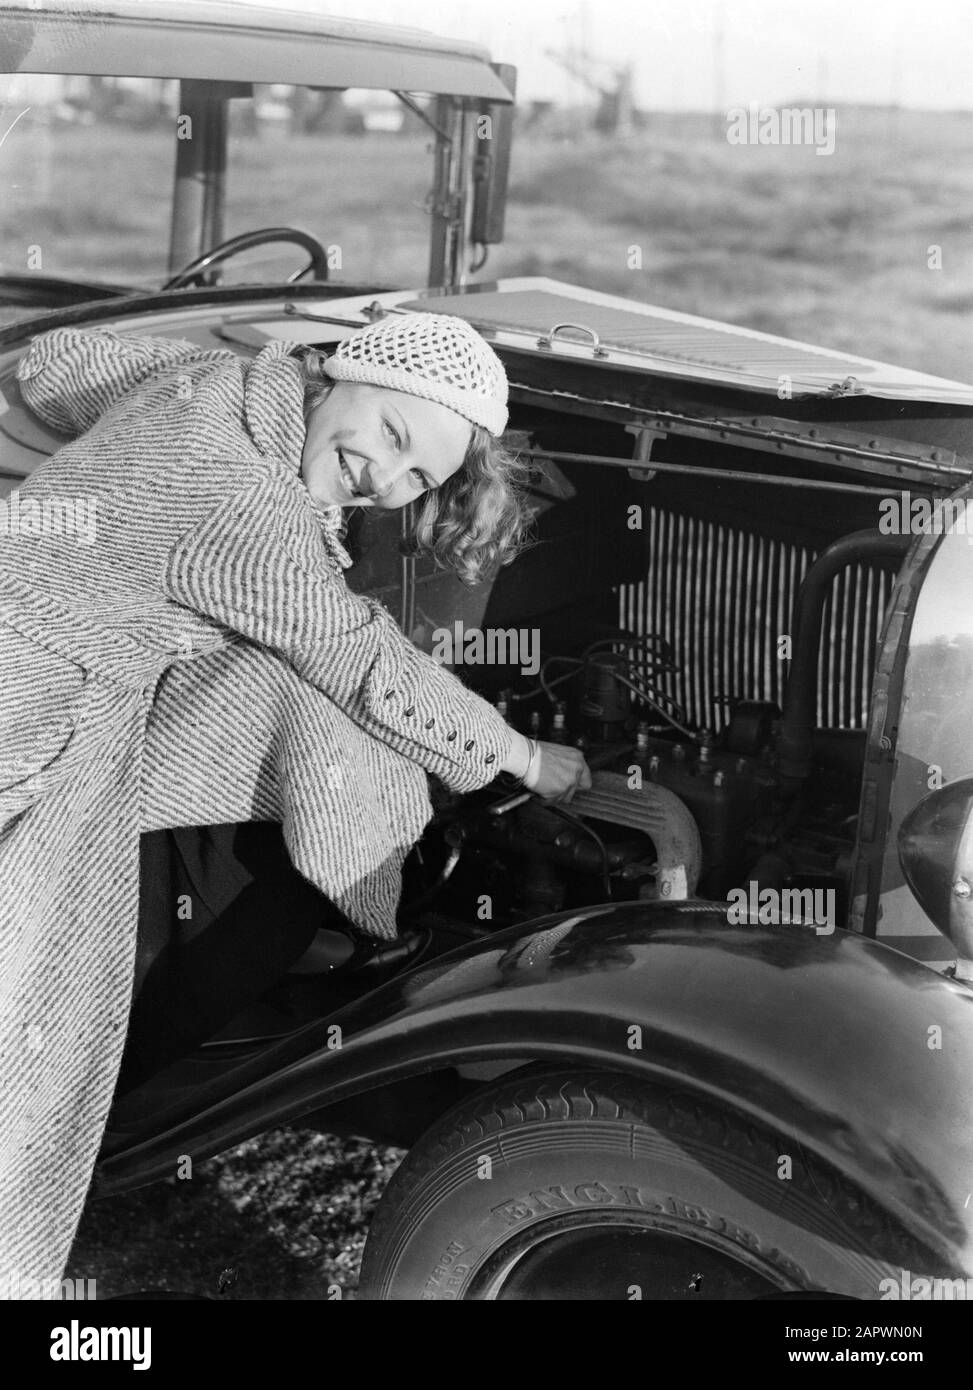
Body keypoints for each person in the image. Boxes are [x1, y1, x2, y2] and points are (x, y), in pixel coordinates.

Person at [0, 311, 591, 1296]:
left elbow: (56, 365)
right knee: (48, 1027)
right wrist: (527, 758)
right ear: (342, 372)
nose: (386, 485)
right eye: (393, 439)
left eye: (417, 481)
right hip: (36, 730)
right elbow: (368, 667)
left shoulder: (208, 377)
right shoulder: (245, 508)